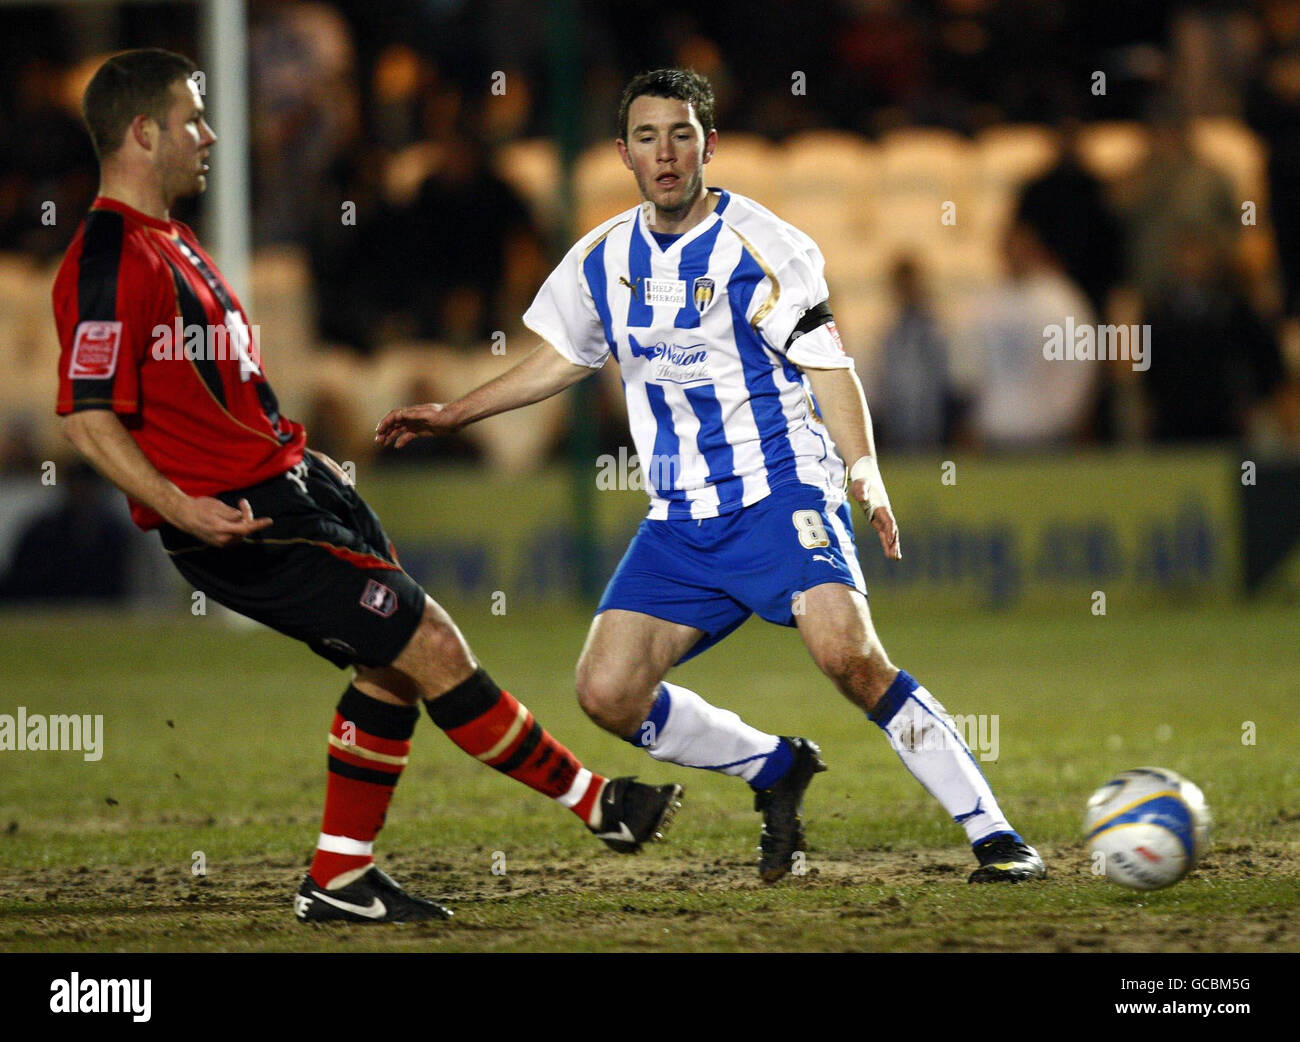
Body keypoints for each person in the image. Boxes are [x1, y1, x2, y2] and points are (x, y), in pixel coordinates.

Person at [51, 48, 681, 925]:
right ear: (143, 131)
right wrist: (181, 506)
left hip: (293, 486)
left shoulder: (173, 243)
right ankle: (599, 804)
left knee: (389, 668)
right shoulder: (107, 257)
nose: (210, 134)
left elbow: (214, 396)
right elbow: (86, 419)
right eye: (193, 117)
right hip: (241, 519)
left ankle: (340, 878)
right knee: (428, 639)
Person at [377, 68, 1046, 884]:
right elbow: (563, 357)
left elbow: (829, 367)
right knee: (607, 692)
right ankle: (773, 766)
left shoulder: (762, 247)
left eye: (682, 135)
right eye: (649, 137)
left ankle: (995, 834)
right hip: (681, 518)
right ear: (624, 153)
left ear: (709, 145)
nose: (666, 154)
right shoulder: (604, 259)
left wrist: (864, 473)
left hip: (780, 490)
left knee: (847, 655)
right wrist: (456, 413)